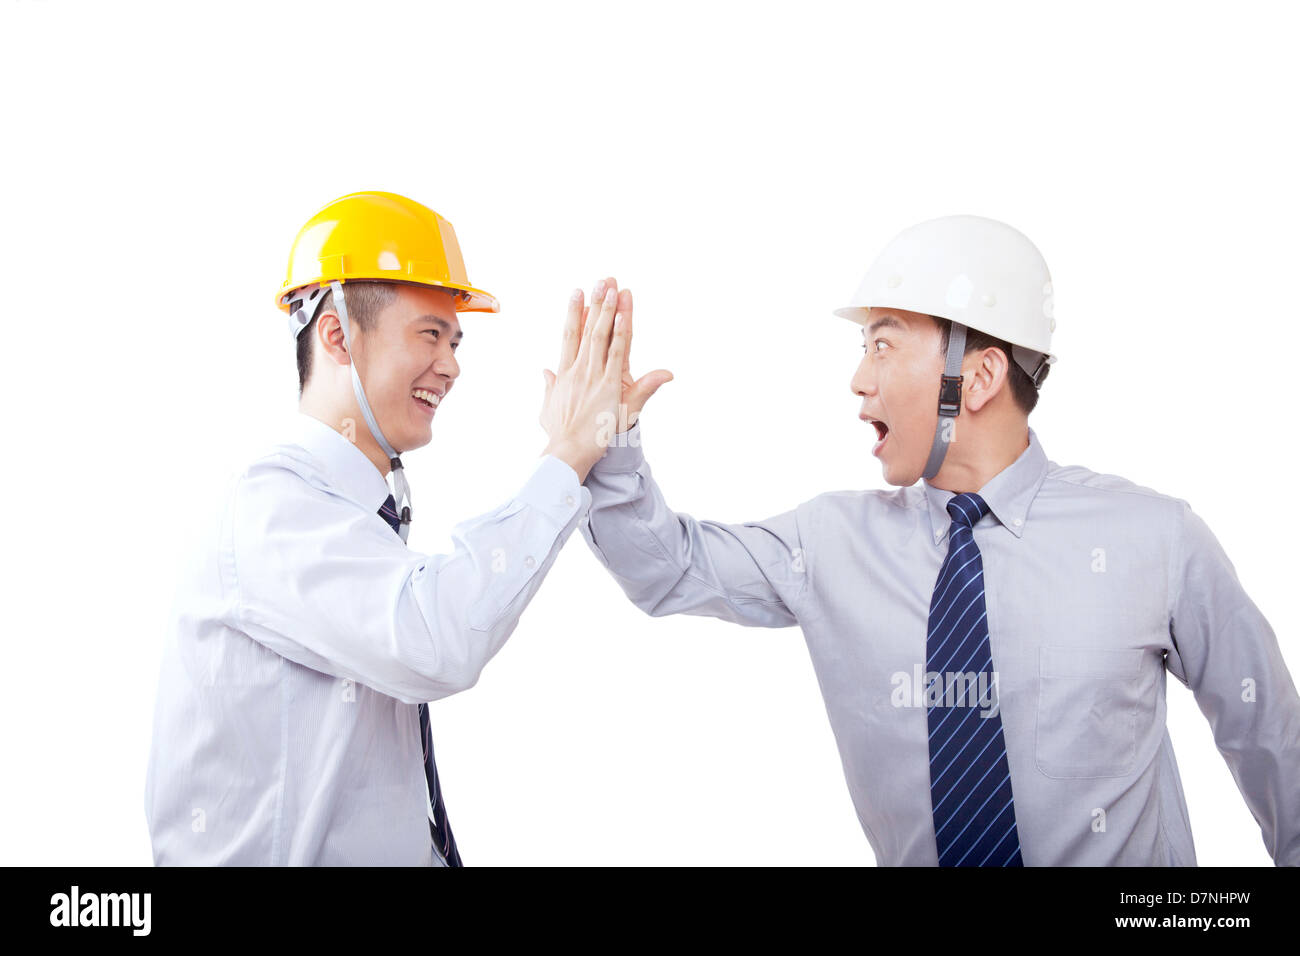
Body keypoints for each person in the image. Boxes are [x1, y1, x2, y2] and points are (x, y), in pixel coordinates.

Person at [577, 215, 1300, 866]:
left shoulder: (1154, 538)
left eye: (883, 345)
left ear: (978, 376)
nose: (858, 379)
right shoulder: (829, 542)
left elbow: (1267, 731)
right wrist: (606, 444)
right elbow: (666, 569)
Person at [144, 191, 629, 865]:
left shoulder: (349, 517)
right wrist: (566, 455)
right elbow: (436, 639)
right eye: (430, 334)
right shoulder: (271, 508)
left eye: (455, 341)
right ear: (337, 335)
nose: (453, 364)